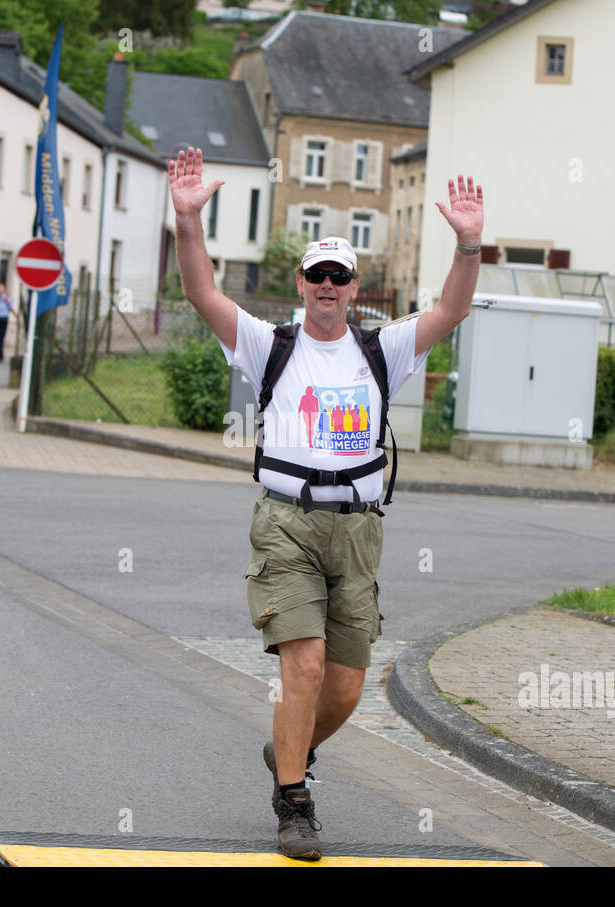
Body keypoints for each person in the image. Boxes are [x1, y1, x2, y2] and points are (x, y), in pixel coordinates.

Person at [168, 146, 483, 860]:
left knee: (344, 686)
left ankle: (286, 749)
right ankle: (295, 802)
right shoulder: (267, 346)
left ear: (354, 283)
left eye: (340, 275)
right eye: (318, 274)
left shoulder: (384, 351)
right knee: (302, 667)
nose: (329, 285)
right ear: (302, 283)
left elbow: (451, 309)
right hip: (286, 523)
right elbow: (204, 295)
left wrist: (468, 243)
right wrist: (190, 222)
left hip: (360, 532)